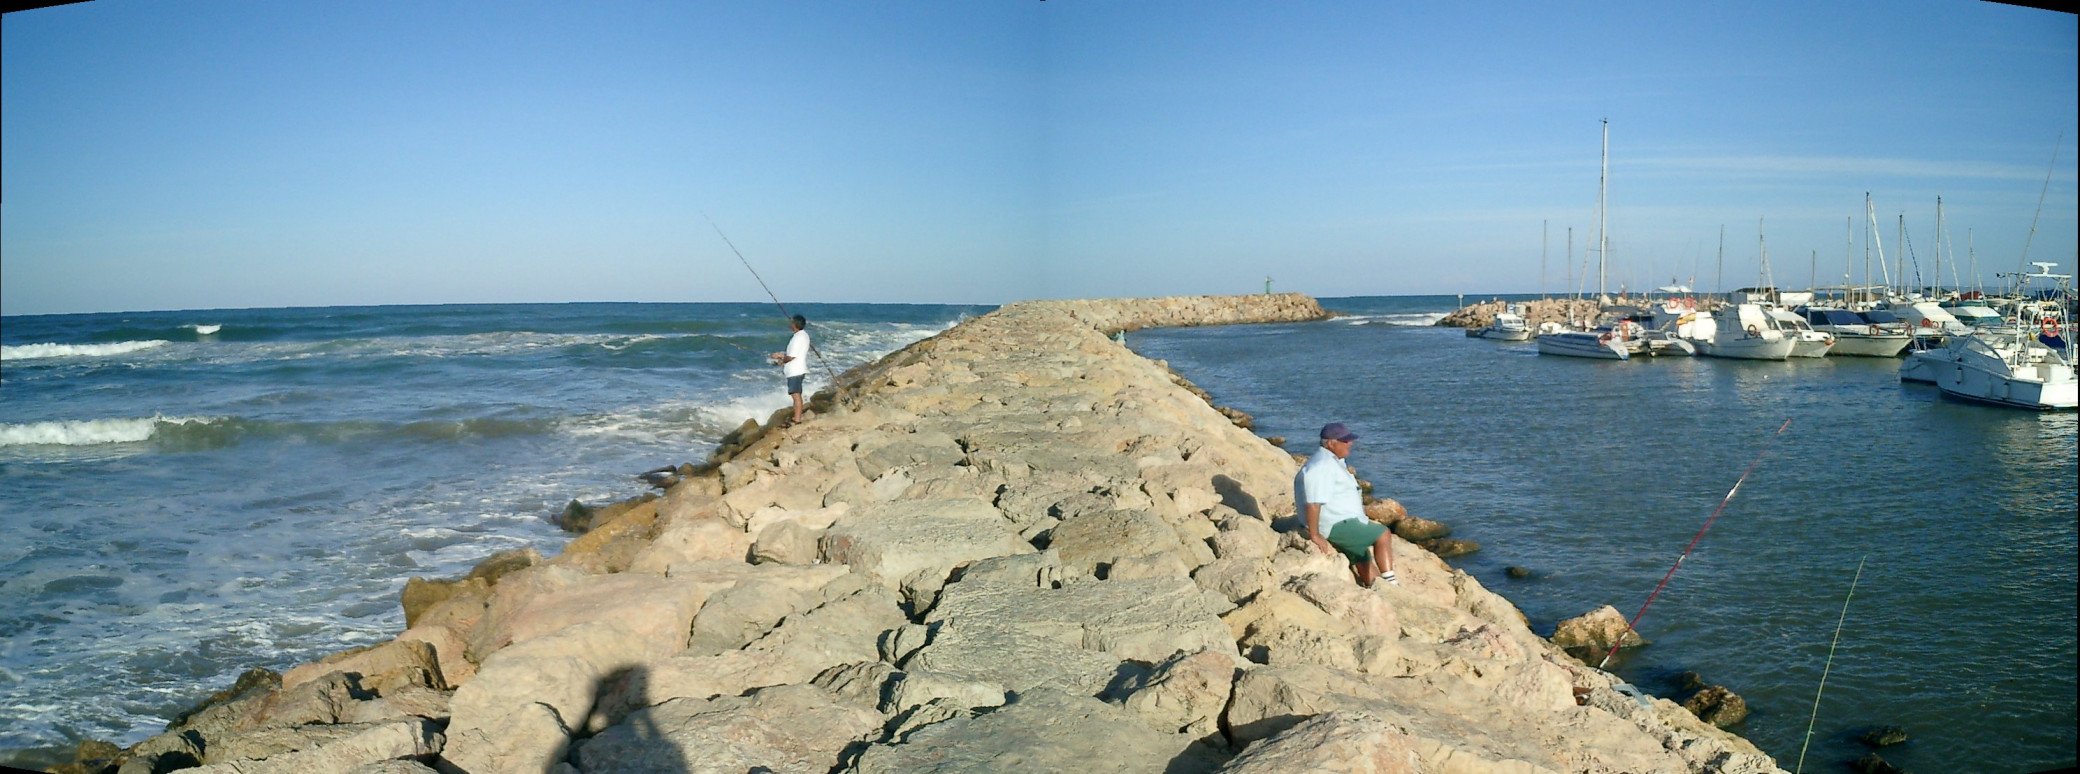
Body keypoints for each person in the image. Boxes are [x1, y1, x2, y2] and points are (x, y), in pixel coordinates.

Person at [1295, 422, 1398, 587]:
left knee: (1362, 556)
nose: (1350, 443)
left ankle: (1378, 587)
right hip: (1334, 524)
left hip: (1340, 520)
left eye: (1349, 439)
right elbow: (1313, 503)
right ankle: (1391, 582)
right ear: (1330, 443)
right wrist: (1315, 535)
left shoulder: (1332, 461)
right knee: (1383, 534)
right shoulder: (1322, 466)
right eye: (1345, 440)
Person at [769, 314, 810, 422]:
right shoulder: (803, 335)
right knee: (796, 394)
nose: (790, 324)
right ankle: (797, 417)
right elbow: (794, 355)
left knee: (796, 395)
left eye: (791, 322)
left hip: (795, 371)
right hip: (797, 369)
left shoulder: (798, 338)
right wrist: (782, 361)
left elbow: (791, 357)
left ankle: (797, 419)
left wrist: (779, 356)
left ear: (795, 325)